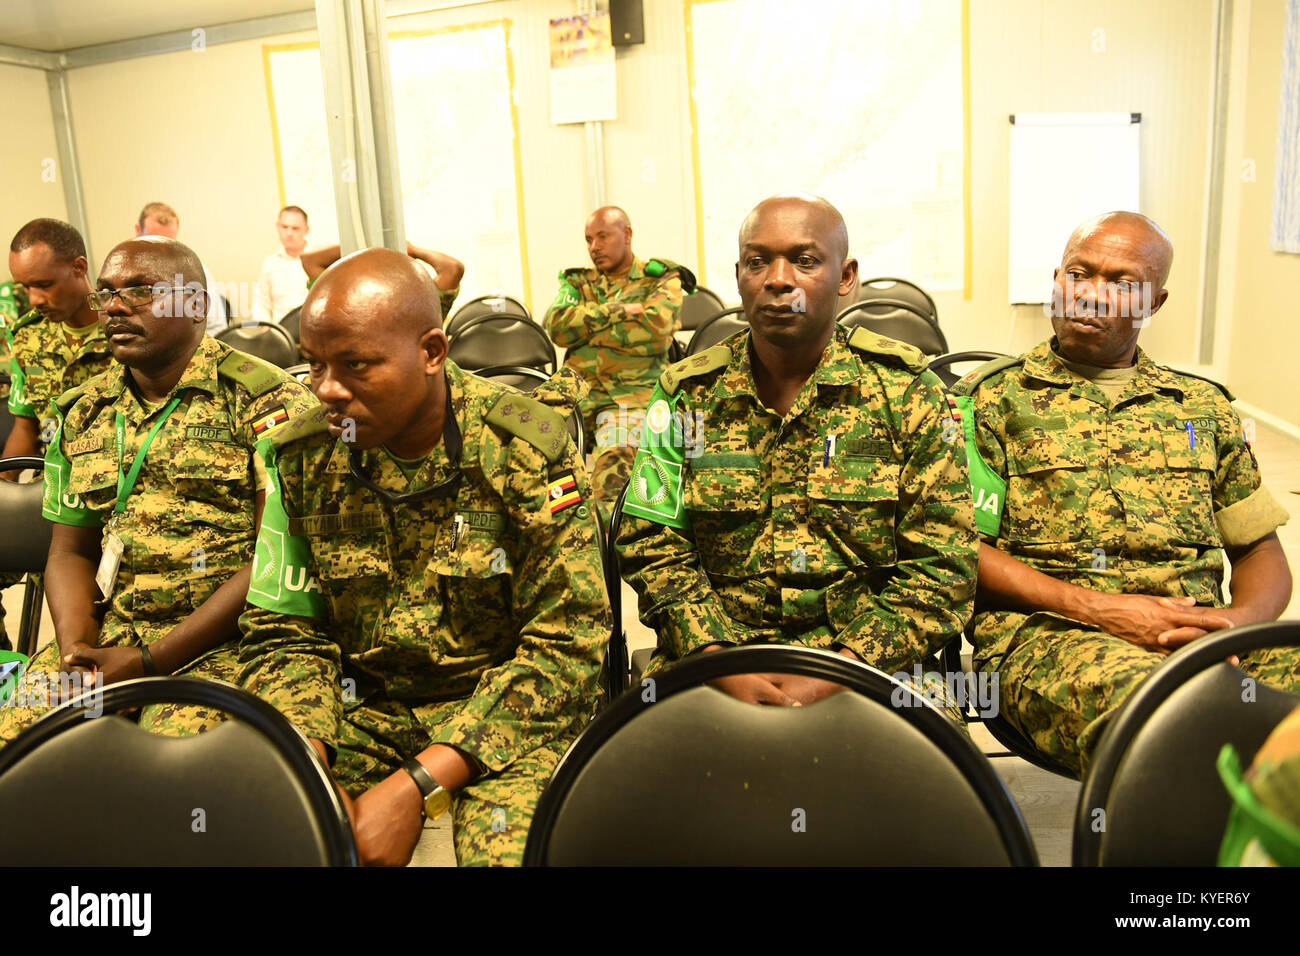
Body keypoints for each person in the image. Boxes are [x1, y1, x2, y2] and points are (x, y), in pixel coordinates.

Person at [237, 248, 608, 867]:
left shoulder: (525, 448)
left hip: (506, 709)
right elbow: (285, 631)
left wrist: (416, 787)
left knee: (509, 853)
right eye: (313, 364)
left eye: (356, 365)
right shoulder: (301, 454)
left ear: (432, 352)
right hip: (363, 706)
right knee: (254, 828)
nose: (327, 390)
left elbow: (568, 643)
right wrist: (307, 756)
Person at [952, 210, 1297, 777]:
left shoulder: (1202, 407)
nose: (1092, 295)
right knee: (1178, 717)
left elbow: (1259, 548)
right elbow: (960, 550)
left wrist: (1232, 624)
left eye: (1122, 283)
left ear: (1154, 303)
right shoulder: (989, 400)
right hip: (1049, 637)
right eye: (1078, 274)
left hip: (1198, 632)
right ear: (1057, 281)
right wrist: (1106, 611)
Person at [615, 194, 977, 707]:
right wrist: (718, 657)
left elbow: (944, 565)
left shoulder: (909, 393)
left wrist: (839, 671)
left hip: (876, 669)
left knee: (921, 782)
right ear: (739, 274)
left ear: (846, 277)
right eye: (758, 261)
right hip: (714, 664)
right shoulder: (683, 397)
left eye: (805, 261)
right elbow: (651, 543)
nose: (779, 279)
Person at [0, 237, 316, 745]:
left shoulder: (269, 402)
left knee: (167, 769)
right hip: (113, 632)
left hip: (225, 641)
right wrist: (77, 651)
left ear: (195, 304)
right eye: (105, 294)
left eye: (142, 291)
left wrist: (149, 663)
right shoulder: (82, 410)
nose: (116, 306)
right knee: (17, 747)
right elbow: (69, 549)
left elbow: (273, 562)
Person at [544, 206, 692, 508]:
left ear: (627, 234)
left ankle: (608, 543)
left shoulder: (661, 279)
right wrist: (620, 311)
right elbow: (557, 327)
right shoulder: (578, 282)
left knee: (614, 461)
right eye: (588, 240)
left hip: (630, 394)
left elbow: (655, 333)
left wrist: (585, 329)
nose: (594, 247)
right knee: (524, 443)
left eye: (602, 236)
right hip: (574, 389)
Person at [3, 219, 113, 465]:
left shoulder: (125, 329)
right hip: (55, 478)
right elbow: (27, 428)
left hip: (119, 481)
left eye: (44, 285)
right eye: (25, 287)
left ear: (79, 267)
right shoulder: (27, 338)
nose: (34, 299)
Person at [299, 240, 464, 320]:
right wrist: (366, 244)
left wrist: (413, 250)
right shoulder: (346, 300)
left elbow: (453, 268)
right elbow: (309, 260)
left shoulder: (420, 302)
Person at [134, 202, 228, 334]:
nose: (160, 250)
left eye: (169, 243)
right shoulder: (118, 274)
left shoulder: (195, 272)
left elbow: (216, 328)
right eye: (153, 241)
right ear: (138, 230)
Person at [250, 205, 311, 325]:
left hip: (314, 332)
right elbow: (261, 302)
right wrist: (266, 327)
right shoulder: (270, 264)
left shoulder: (319, 261)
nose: (289, 233)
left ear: (306, 230)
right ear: (278, 227)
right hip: (284, 335)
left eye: (295, 228)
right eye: (284, 227)